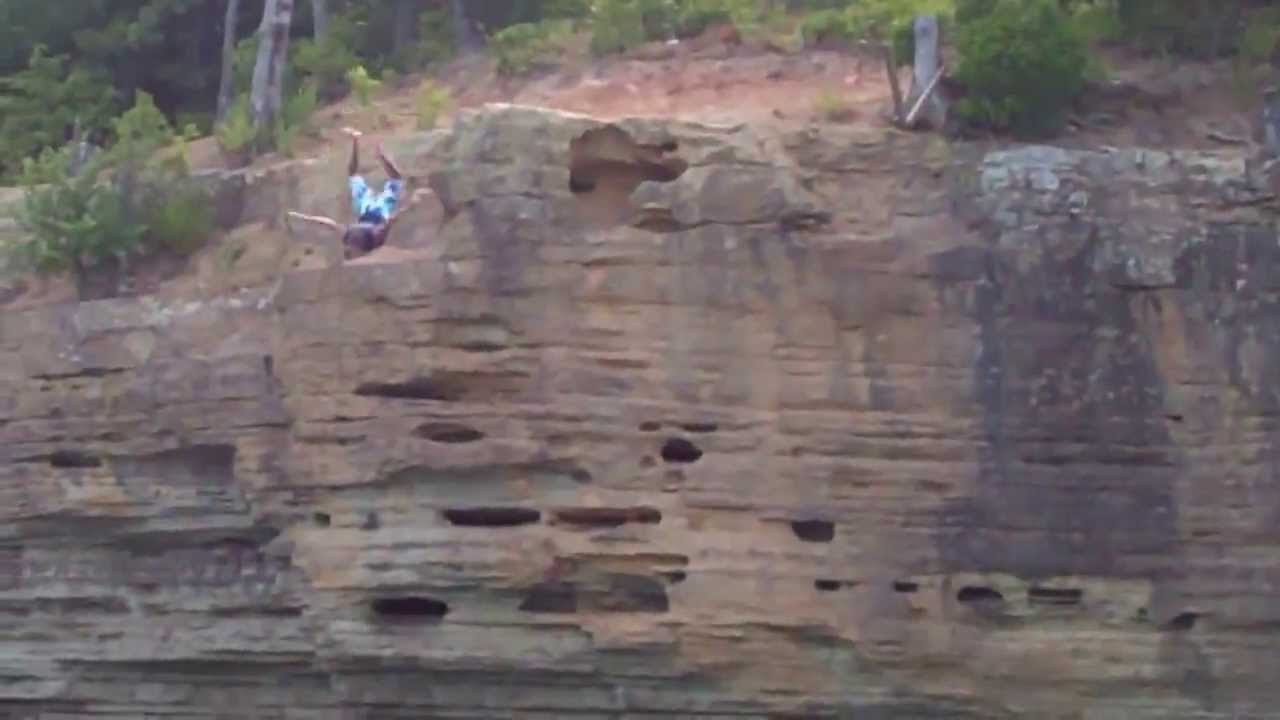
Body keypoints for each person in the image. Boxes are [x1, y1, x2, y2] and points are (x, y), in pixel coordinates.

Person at [286, 127, 407, 260]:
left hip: (364, 208)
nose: (348, 248)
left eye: (348, 251)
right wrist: (409, 208)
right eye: (351, 252)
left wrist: (303, 217)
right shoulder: (373, 242)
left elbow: (329, 224)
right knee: (397, 180)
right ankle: (380, 155)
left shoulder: (347, 238)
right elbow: (390, 222)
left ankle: (356, 139)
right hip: (381, 211)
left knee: (352, 174)